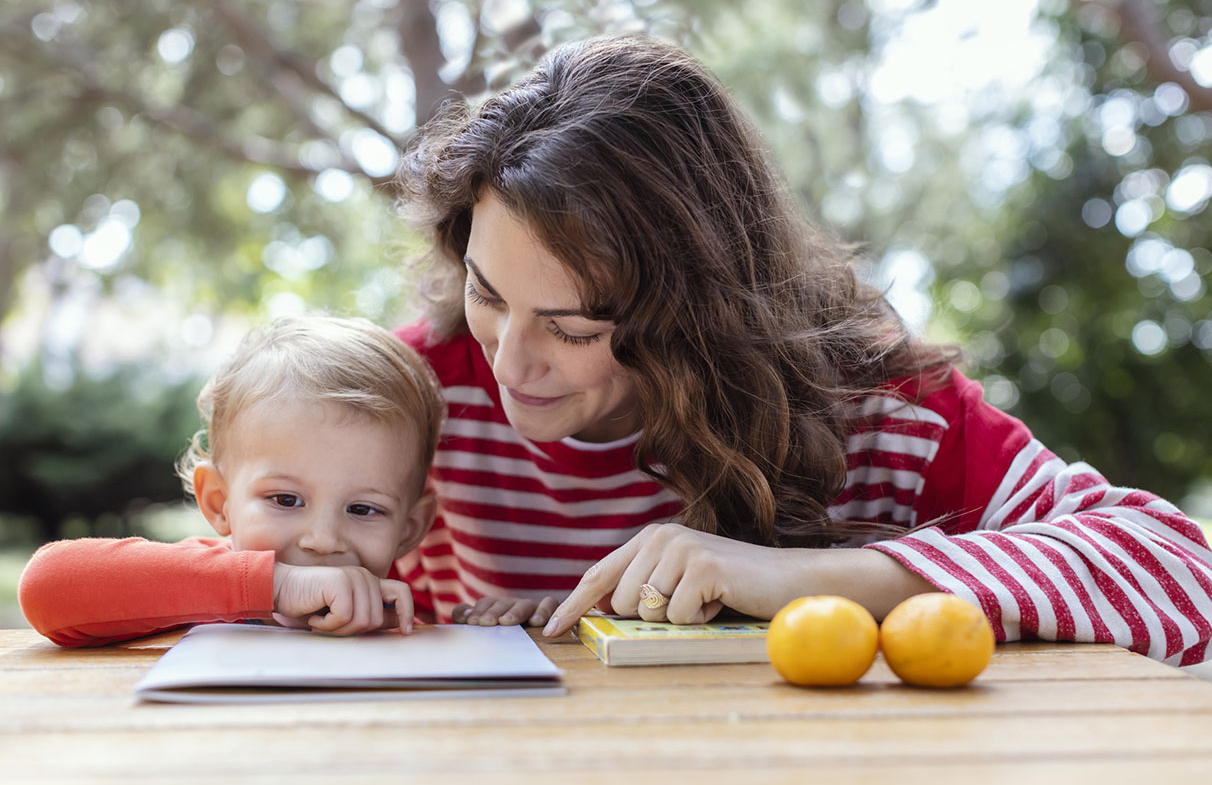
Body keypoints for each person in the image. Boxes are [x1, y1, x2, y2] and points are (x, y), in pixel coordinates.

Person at [392, 34, 1212, 665]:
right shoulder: (419, 390)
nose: (509, 364)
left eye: (575, 329)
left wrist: (807, 579)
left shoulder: (881, 411)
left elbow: (1181, 573)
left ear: (696, 312)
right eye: (488, 294)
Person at [19, 315, 446, 647]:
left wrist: (490, 624)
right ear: (219, 502)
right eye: (285, 499)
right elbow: (45, 586)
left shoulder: (401, 614)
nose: (323, 539)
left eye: (362, 509)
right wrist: (276, 585)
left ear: (410, 528)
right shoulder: (200, 580)